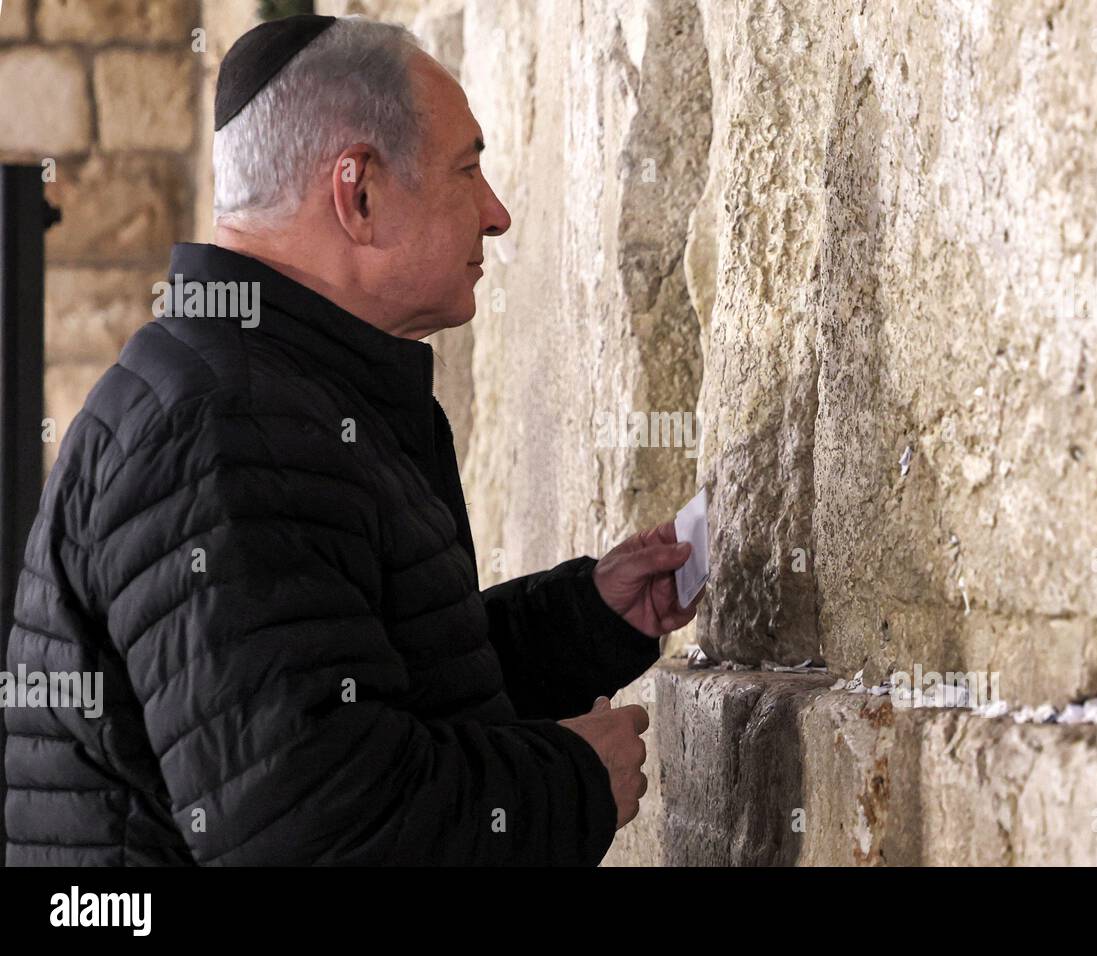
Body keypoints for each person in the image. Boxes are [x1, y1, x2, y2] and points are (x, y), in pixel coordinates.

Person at [4, 13, 701, 866]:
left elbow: (358, 687)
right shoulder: (223, 429)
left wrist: (585, 618)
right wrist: (570, 782)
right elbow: (314, 826)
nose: (498, 213)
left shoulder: (265, 390)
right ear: (358, 192)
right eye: (468, 168)